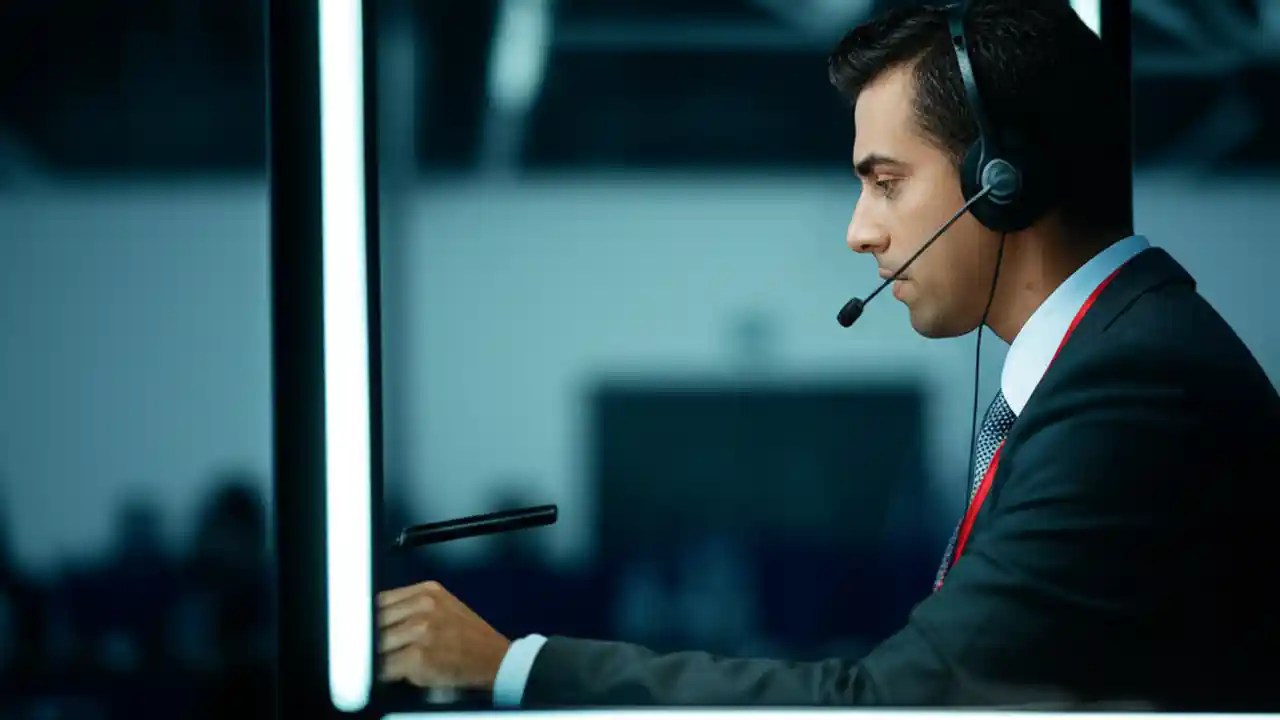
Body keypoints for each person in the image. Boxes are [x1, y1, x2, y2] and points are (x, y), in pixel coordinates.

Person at [376, 0, 1280, 709]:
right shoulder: (1113, 360)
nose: (859, 232)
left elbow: (902, 704)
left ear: (1000, 181)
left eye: (885, 183)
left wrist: (514, 665)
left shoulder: (1131, 388)